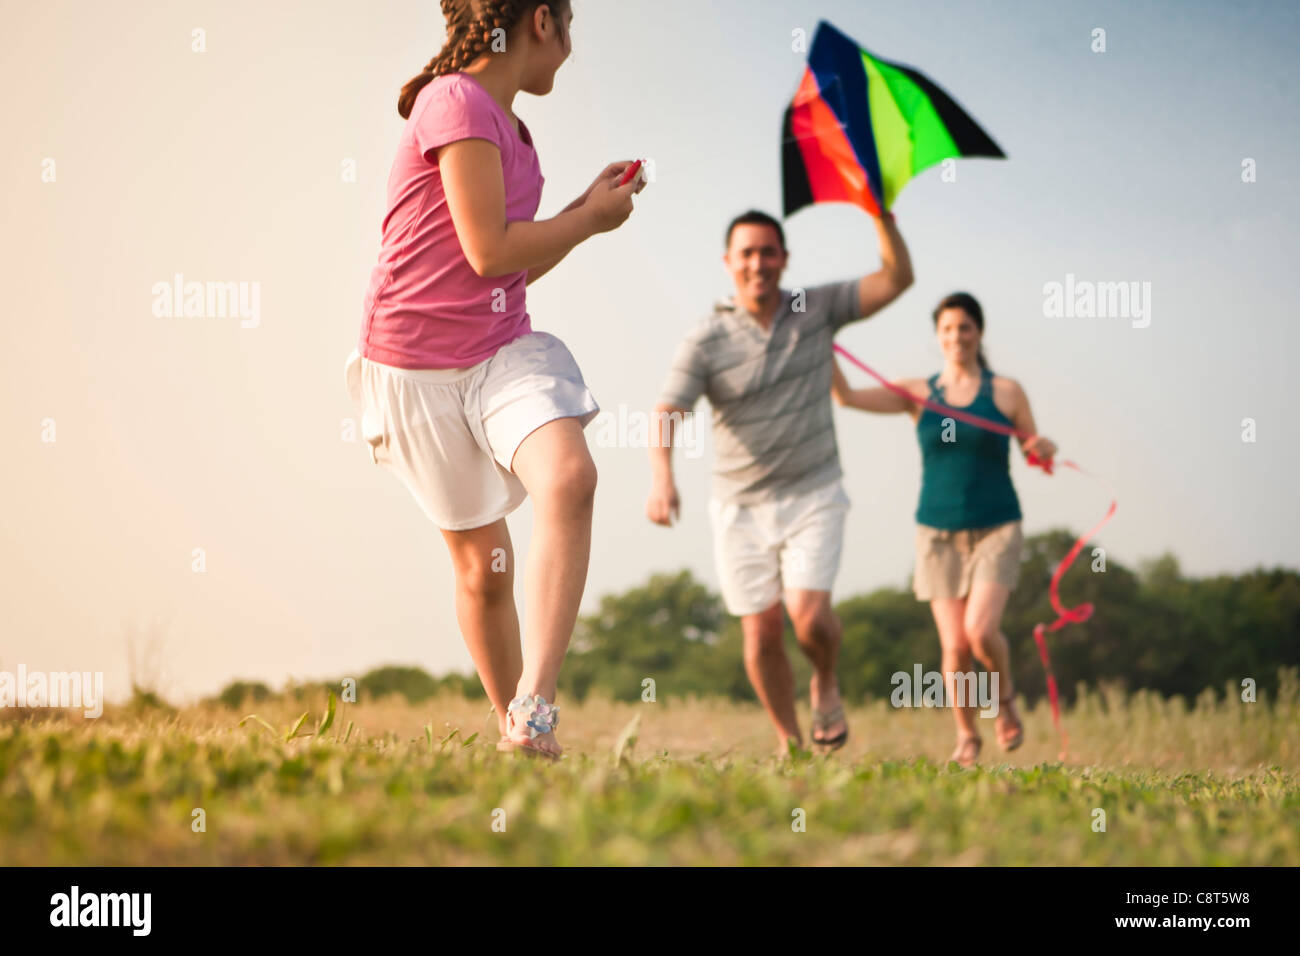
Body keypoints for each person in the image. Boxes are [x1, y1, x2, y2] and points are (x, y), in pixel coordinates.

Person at [344, 0, 645, 759]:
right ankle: (519, 731)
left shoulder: (517, 135)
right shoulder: (454, 101)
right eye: (570, 25)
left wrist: (581, 208)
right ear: (542, 20)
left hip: (502, 349)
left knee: (569, 478)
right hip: (413, 368)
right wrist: (588, 222)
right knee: (484, 573)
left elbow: (510, 262)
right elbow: (486, 250)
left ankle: (534, 709)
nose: (570, 47)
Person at [647, 209, 913, 755]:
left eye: (768, 251)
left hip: (814, 492)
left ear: (784, 258)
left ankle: (826, 679)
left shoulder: (814, 308)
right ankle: (791, 743)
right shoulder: (706, 338)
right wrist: (662, 479)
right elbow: (668, 411)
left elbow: (896, 279)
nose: (757, 263)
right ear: (728, 263)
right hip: (739, 506)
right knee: (761, 630)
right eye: (746, 253)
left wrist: (880, 216)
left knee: (811, 619)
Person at [830, 292, 1057, 767]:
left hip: (997, 525)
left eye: (965, 328)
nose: (957, 336)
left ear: (979, 333)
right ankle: (967, 736)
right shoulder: (917, 391)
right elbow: (846, 396)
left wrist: (1043, 446)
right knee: (954, 647)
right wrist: (821, 339)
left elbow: (1033, 454)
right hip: (936, 531)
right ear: (938, 337)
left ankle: (1006, 697)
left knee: (980, 631)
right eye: (948, 329)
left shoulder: (1006, 392)